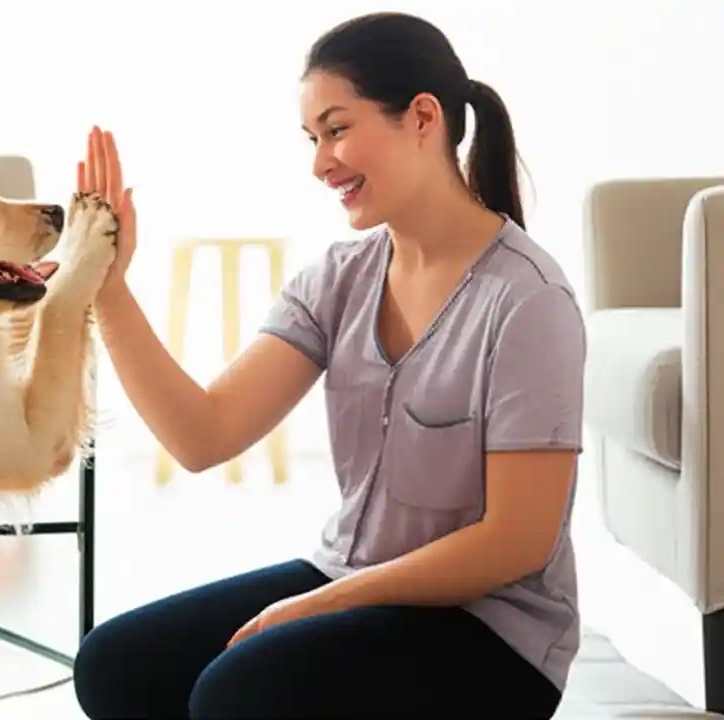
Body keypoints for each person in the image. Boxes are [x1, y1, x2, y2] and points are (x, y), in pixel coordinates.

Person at [71, 11, 585, 720]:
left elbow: (516, 541)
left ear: (423, 117)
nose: (320, 162)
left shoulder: (529, 301)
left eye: (337, 130)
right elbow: (203, 435)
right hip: (352, 576)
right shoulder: (338, 278)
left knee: (240, 694)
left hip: (490, 633)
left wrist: (323, 602)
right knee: (117, 666)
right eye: (313, 139)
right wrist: (108, 286)